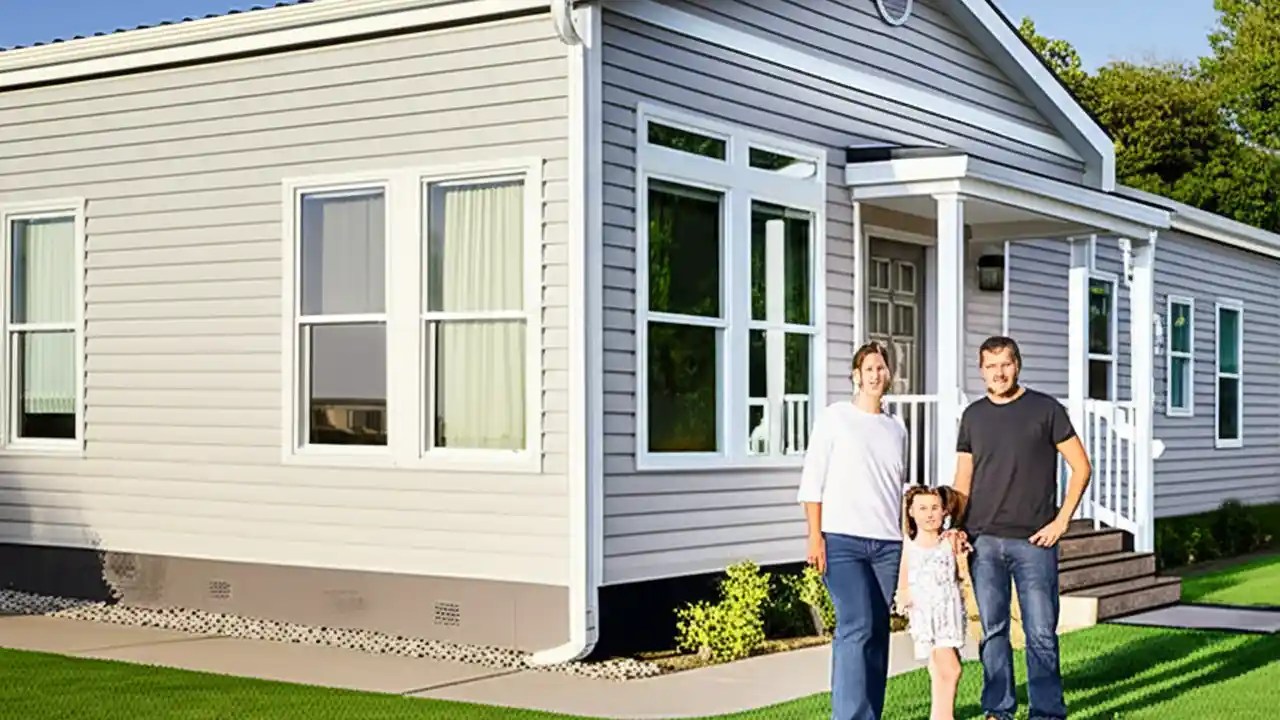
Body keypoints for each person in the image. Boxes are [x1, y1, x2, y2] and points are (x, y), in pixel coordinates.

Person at [949, 336, 1092, 720]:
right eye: (991, 366)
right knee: (992, 632)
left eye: (1005, 364)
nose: (999, 372)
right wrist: (956, 526)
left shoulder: (1046, 409)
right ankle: (998, 709)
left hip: (1034, 542)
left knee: (1041, 634)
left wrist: (1061, 521)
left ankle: (1046, 713)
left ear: (1018, 365)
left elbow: (1082, 466)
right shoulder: (973, 416)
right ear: (981, 371)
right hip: (984, 541)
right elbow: (963, 479)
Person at [797, 341, 910, 720]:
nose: (877, 375)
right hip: (842, 540)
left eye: (882, 368)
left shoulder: (897, 426)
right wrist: (815, 535)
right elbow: (813, 480)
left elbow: (895, 486)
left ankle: (869, 714)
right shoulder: (835, 417)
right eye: (869, 369)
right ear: (856, 376)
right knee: (856, 623)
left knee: (877, 631)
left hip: (887, 544)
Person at [896, 485, 968, 720]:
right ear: (912, 513)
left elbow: (961, 573)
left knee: (942, 668)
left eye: (935, 508)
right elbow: (904, 578)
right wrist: (903, 597)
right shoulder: (910, 545)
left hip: (949, 611)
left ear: (944, 511)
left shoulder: (949, 541)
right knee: (950, 668)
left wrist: (961, 548)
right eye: (923, 508)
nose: (929, 514)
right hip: (927, 615)